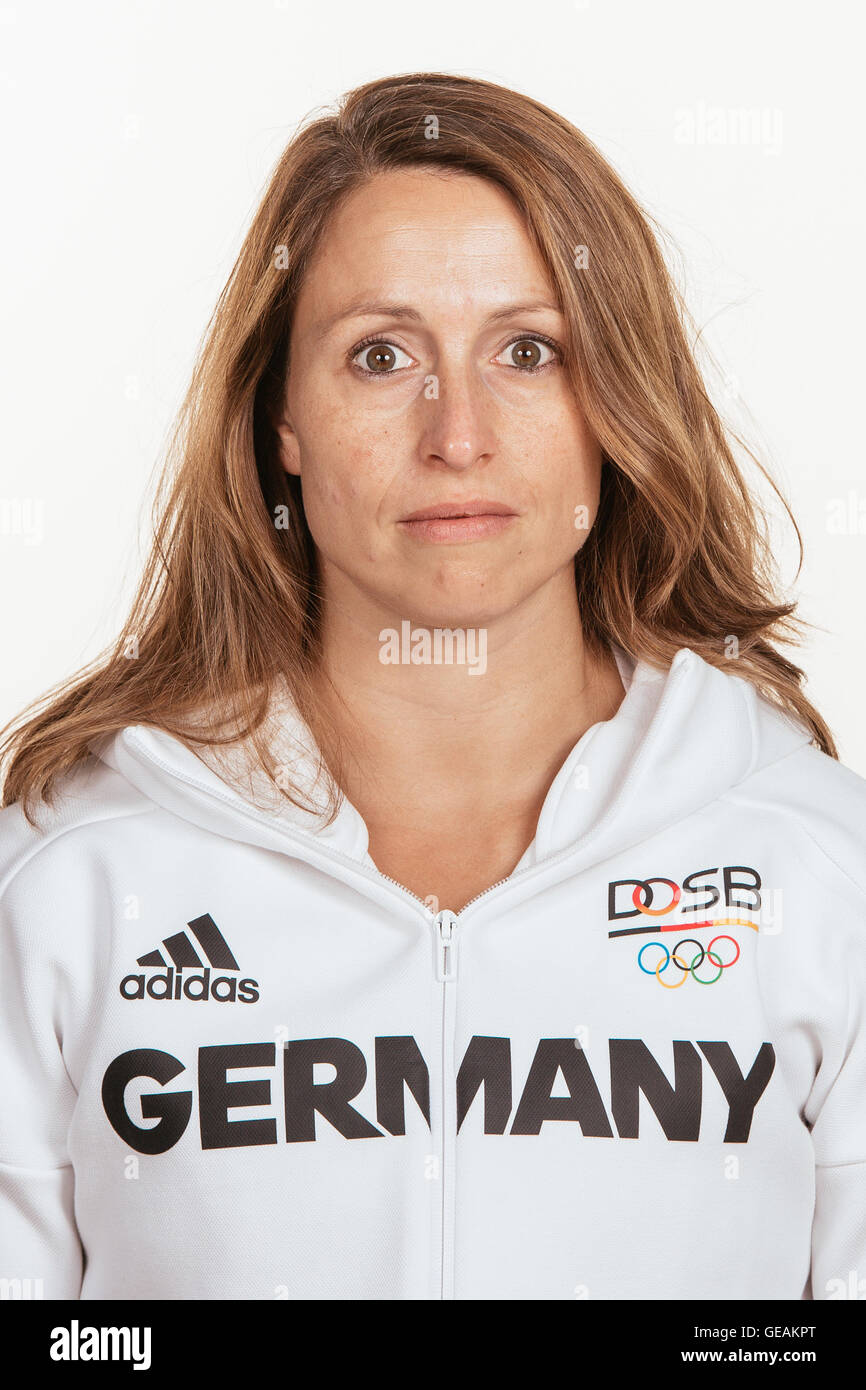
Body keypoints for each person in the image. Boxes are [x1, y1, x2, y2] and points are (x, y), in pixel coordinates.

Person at [1, 70, 864, 1303]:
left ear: (613, 401)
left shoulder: (822, 874)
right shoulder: (68, 879)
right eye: (378, 354)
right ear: (280, 418)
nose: (455, 432)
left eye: (528, 350)